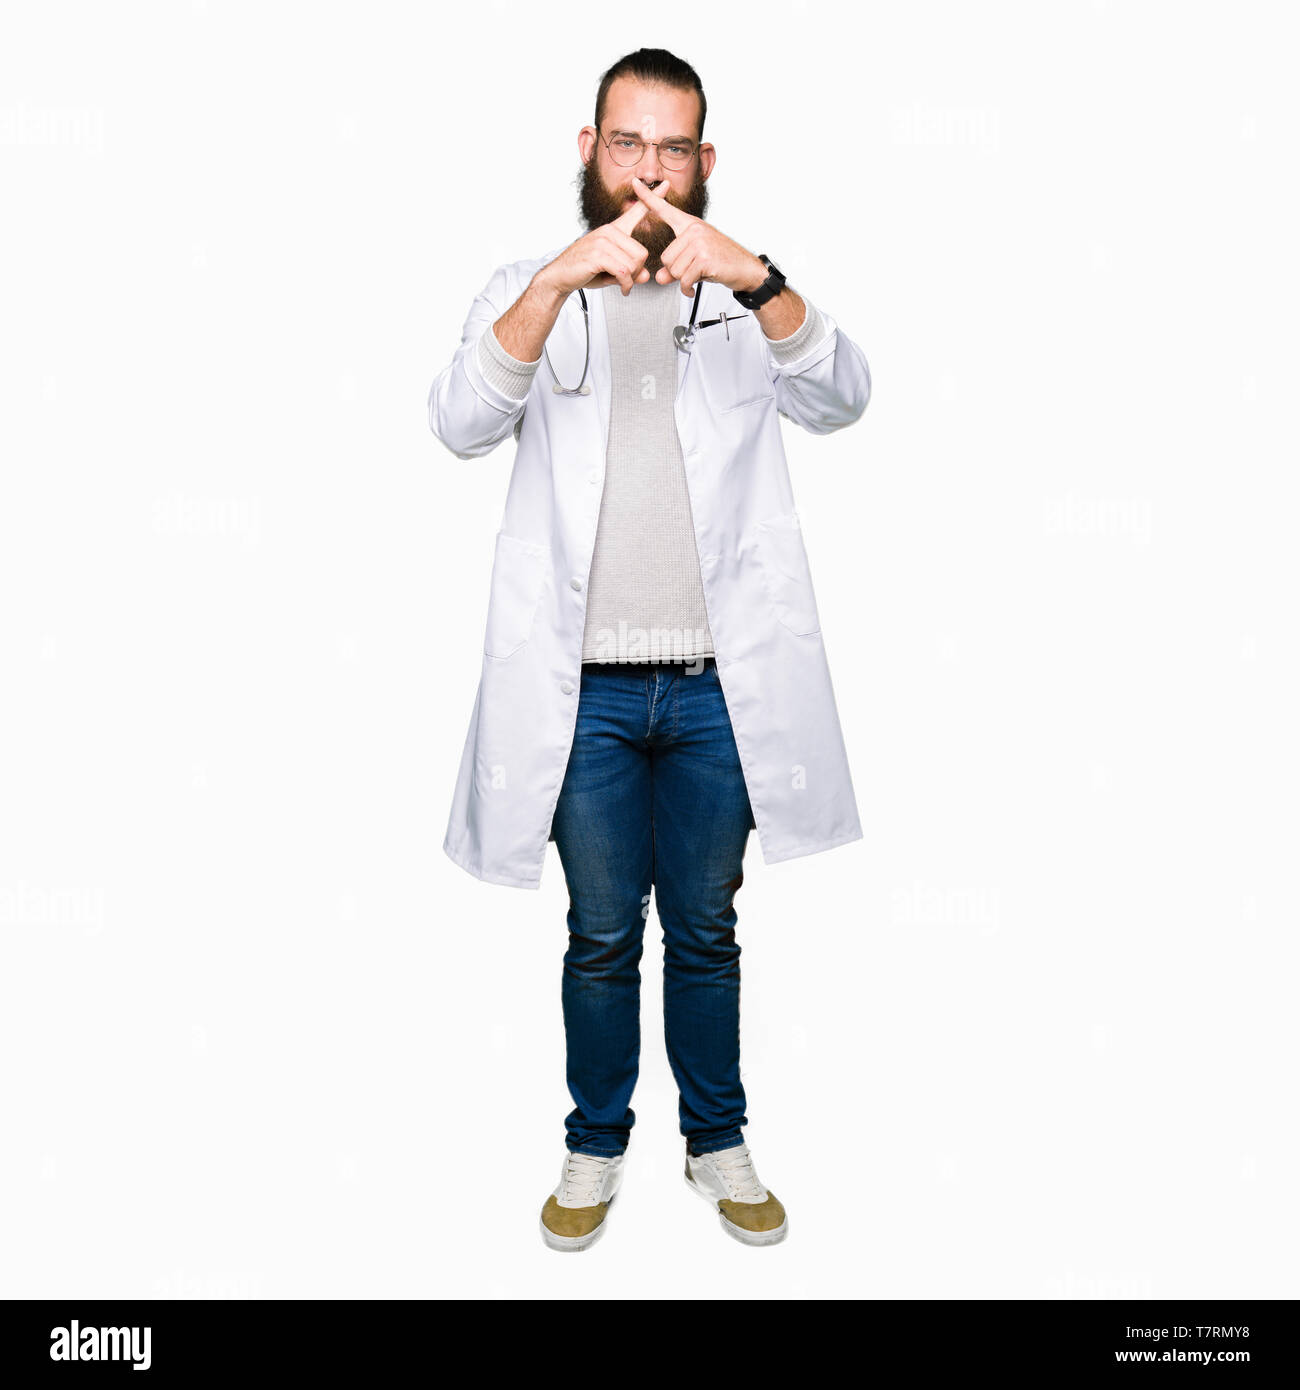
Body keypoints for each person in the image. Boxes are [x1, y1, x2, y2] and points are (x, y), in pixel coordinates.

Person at [427, 48, 872, 1251]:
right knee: (602, 932)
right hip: (582, 697)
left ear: (703, 163)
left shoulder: (735, 301)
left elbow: (841, 396)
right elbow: (462, 417)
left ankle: (715, 1140)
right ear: (590, 151)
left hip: (719, 688)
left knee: (710, 926)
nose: (648, 171)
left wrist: (763, 276)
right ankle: (595, 1143)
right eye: (627, 144)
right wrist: (562, 277)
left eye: (672, 149)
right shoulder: (528, 287)